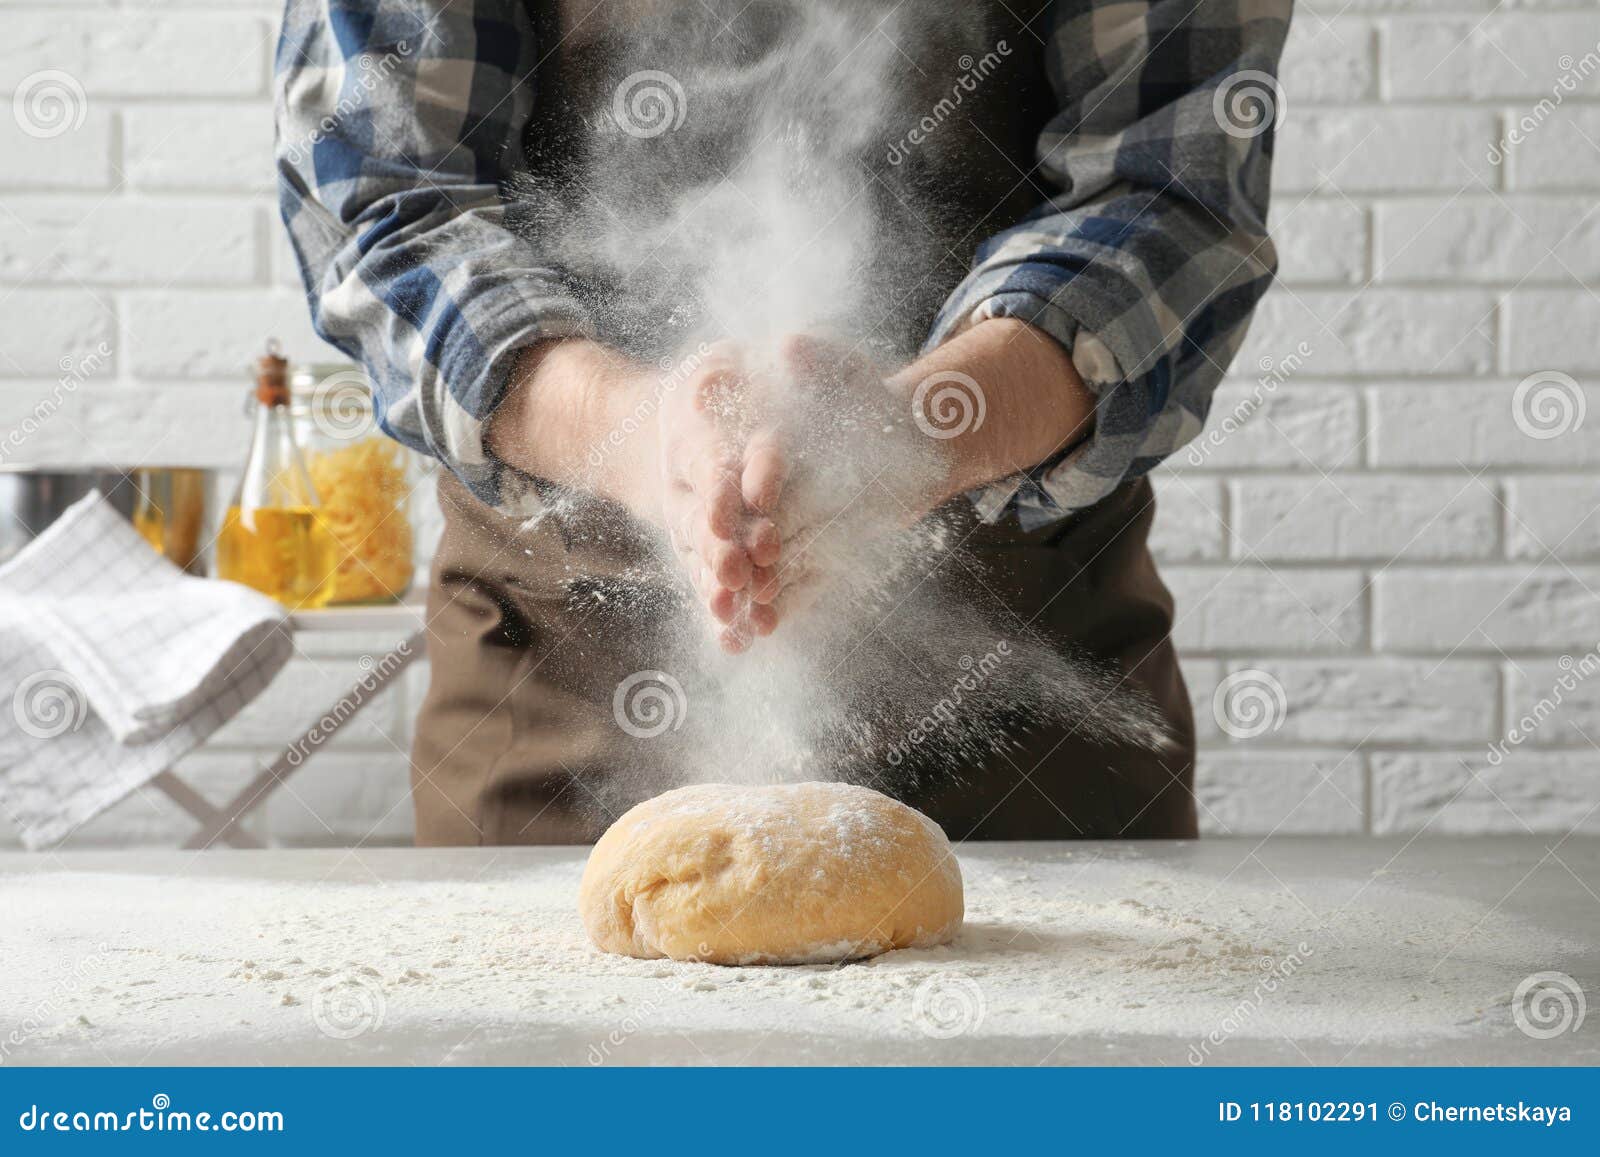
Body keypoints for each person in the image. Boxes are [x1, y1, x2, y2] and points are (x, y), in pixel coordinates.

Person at [275, 0, 1290, 844]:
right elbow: (389, 197)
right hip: (558, 690)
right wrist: (636, 431)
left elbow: (1168, 191)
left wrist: (924, 427)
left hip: (1026, 704)